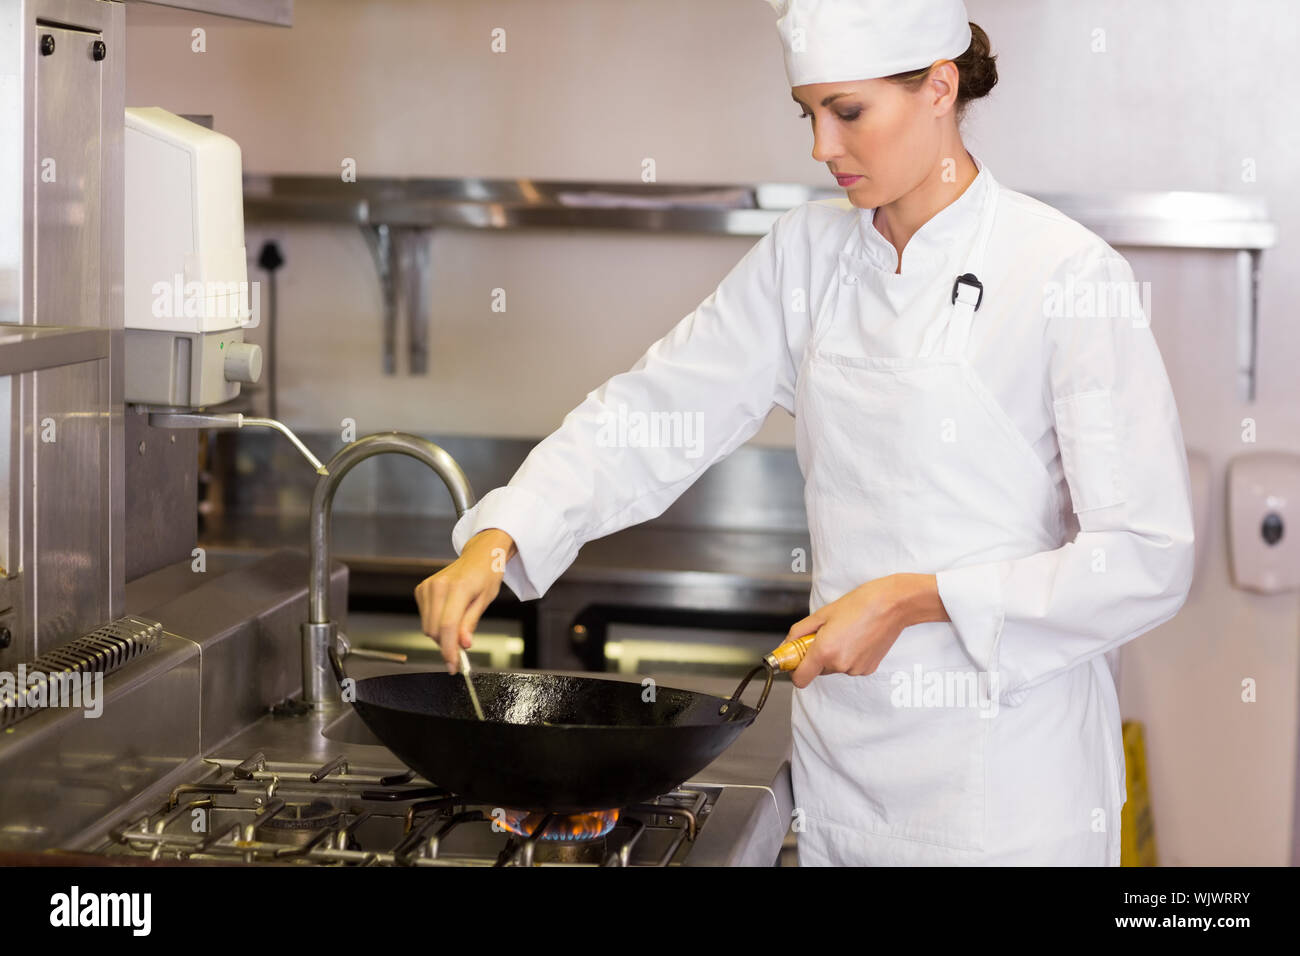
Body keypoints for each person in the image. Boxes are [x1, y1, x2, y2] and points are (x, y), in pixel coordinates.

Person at [414, 0, 1194, 865]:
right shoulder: (808, 255)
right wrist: (505, 527)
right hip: (845, 781)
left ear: (941, 88)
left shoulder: (1065, 274)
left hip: (1008, 796)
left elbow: (1144, 559)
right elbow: (659, 407)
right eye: (808, 113)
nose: (821, 147)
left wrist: (912, 598)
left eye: (847, 112)